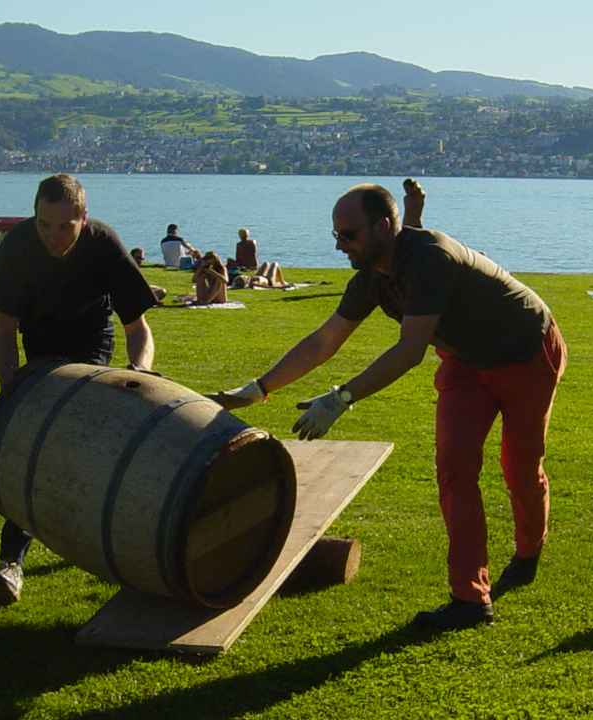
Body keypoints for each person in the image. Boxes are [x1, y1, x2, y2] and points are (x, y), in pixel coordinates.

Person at [209, 179, 567, 630]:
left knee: (519, 468)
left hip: (526, 353)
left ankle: (529, 551)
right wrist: (259, 389)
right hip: (465, 364)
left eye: (348, 235)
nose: (339, 246)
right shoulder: (370, 280)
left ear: (382, 227)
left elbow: (409, 350)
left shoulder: (430, 257)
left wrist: (341, 399)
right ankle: (471, 601)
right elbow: (324, 341)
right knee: (454, 470)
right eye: (335, 235)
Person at [0, 173, 159, 604]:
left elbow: (138, 328)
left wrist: (138, 373)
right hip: (38, 340)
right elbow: (4, 333)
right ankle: (12, 563)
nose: (53, 236)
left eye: (65, 226)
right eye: (44, 224)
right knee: (30, 444)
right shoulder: (18, 248)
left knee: (68, 443)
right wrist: (11, 393)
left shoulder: (104, 244)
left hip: (90, 339)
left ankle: (96, 540)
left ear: (84, 217)